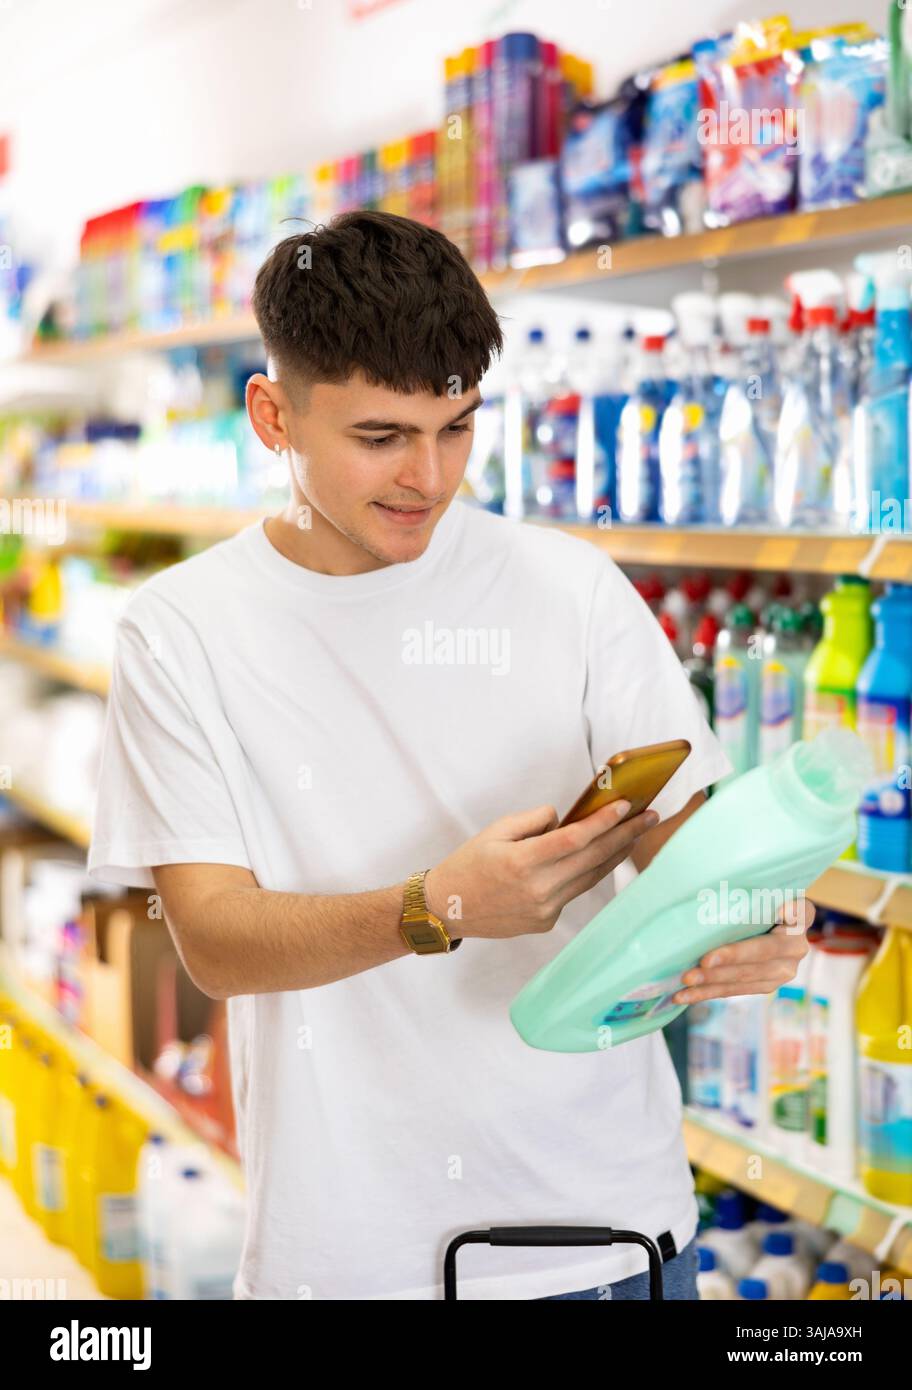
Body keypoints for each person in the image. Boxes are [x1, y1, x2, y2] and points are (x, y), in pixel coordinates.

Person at [88, 211, 813, 1301]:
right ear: (273, 415)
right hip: (352, 1261)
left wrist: (750, 913)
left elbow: (680, 844)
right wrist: (436, 907)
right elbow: (215, 942)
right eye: (381, 436)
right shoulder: (181, 629)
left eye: (458, 426)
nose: (427, 477)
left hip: (608, 1237)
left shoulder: (570, 586)